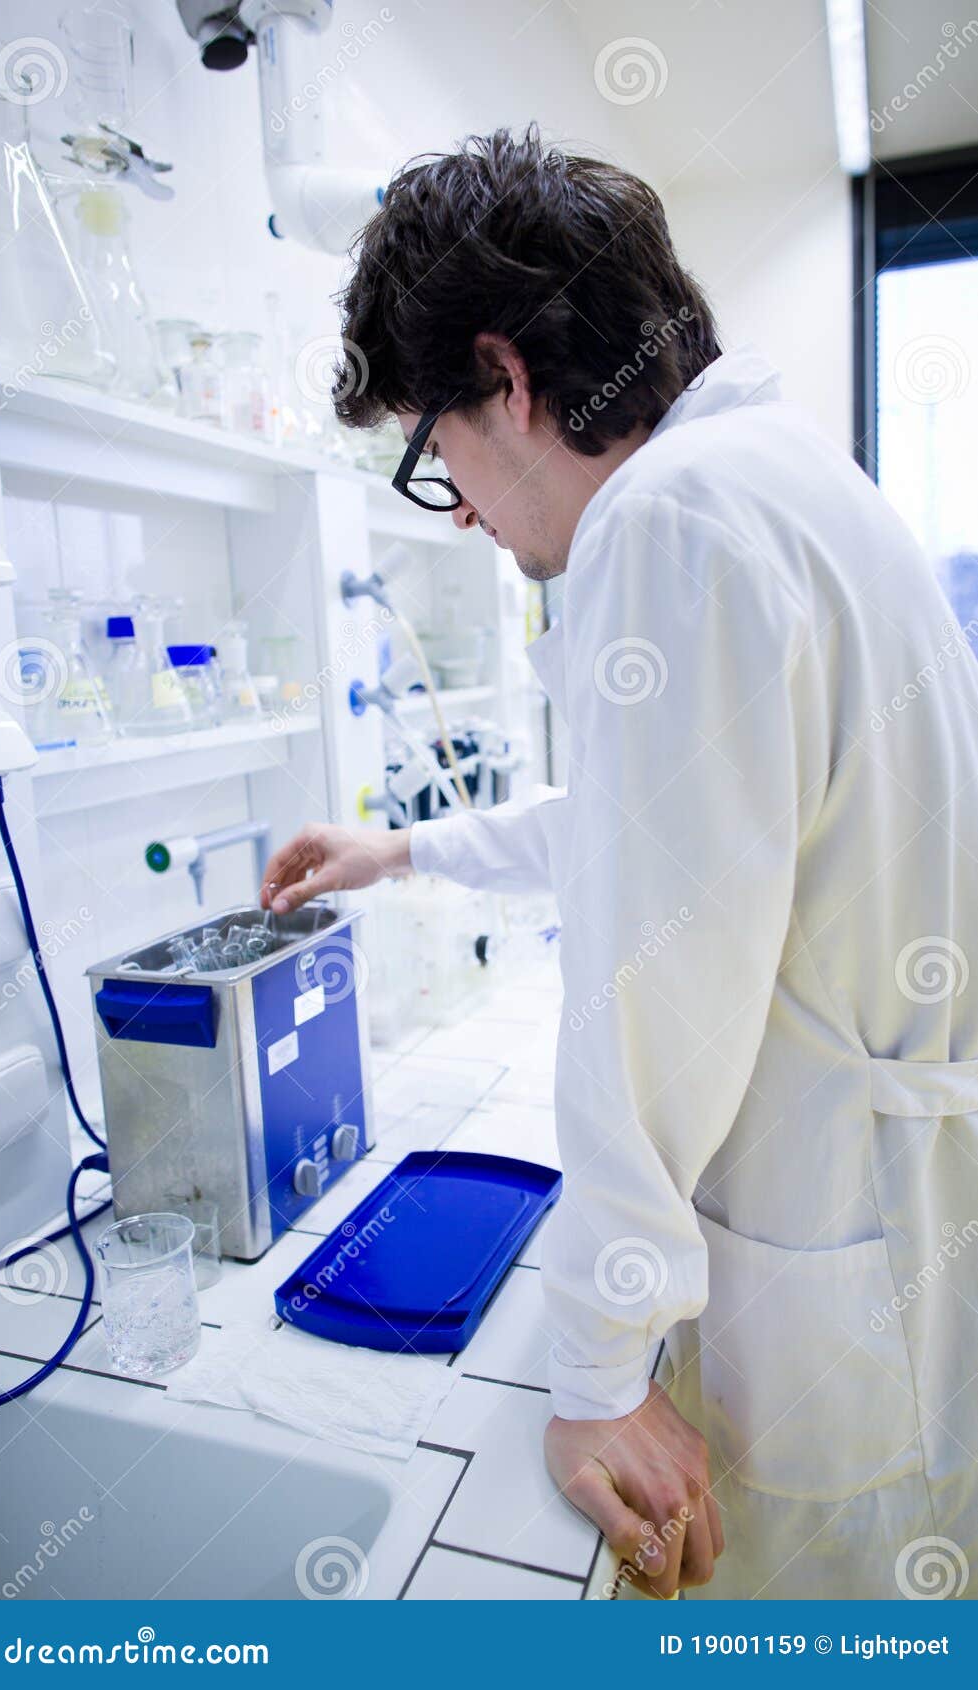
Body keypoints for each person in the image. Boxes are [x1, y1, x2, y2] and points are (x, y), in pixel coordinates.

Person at [261, 126, 978, 1600]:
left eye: (432, 449)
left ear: (505, 382)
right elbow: (655, 832)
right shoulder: (767, 477)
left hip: (837, 1258)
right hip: (891, 1226)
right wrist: (400, 846)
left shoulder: (668, 520)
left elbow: (655, 986)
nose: (453, 503)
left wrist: (593, 1360)